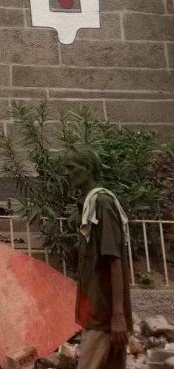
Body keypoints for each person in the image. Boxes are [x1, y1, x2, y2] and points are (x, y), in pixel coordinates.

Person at [63, 144, 132, 369]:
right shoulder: (91, 205)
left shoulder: (102, 204)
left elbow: (114, 260)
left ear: (88, 168)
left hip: (103, 318)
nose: (68, 173)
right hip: (97, 314)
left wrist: (118, 316)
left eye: (72, 168)